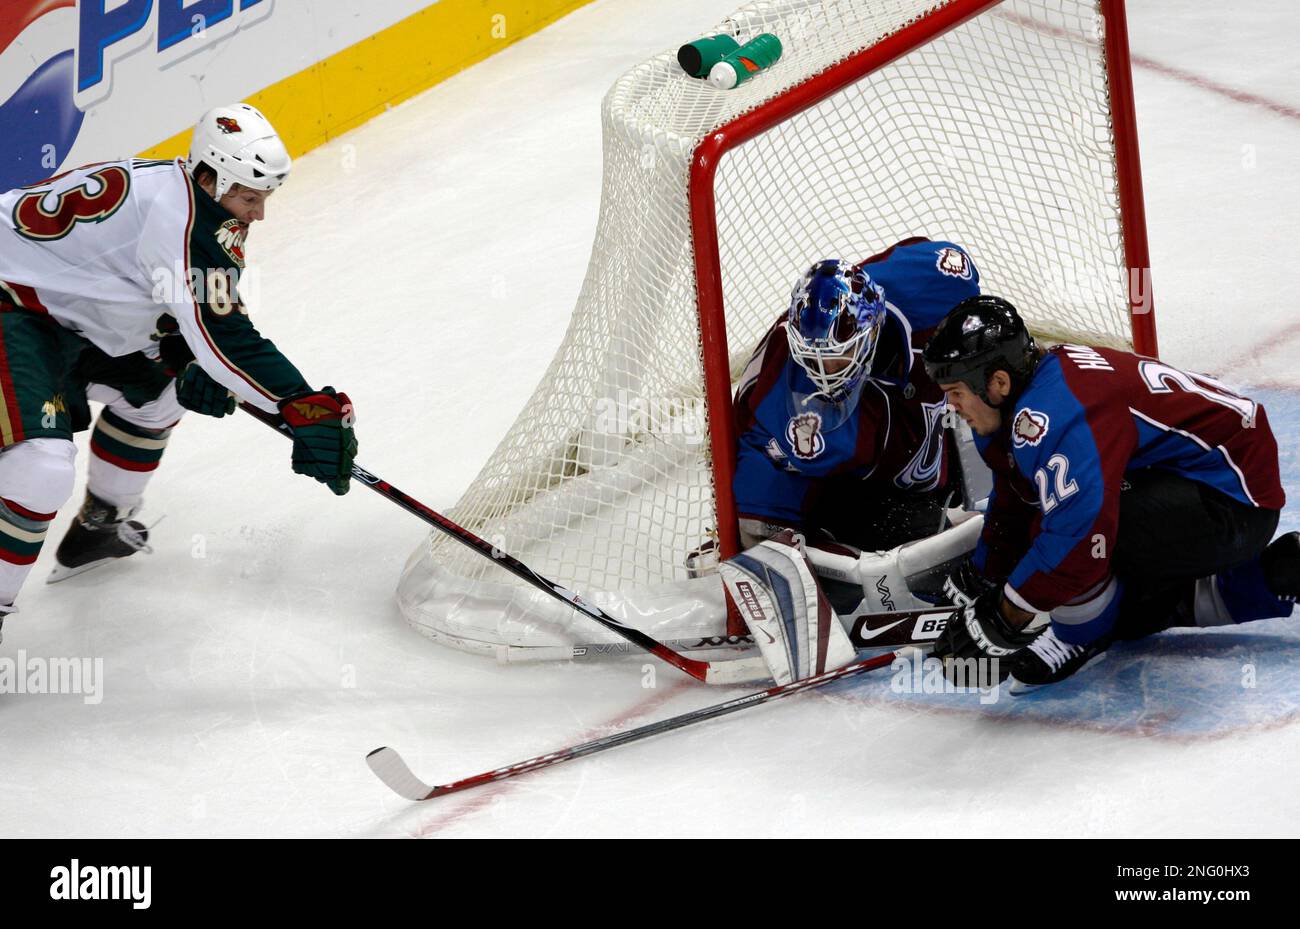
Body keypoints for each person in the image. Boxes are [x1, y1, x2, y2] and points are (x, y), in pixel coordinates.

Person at [0, 103, 357, 642]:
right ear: (210, 177)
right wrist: (299, 405)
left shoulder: (193, 197)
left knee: (166, 391)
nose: (258, 213)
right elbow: (225, 335)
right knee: (39, 469)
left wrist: (187, 357)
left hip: (66, 310)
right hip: (12, 304)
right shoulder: (186, 219)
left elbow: (174, 309)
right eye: (248, 196)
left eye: (263, 197)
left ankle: (100, 526)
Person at [921, 294, 1297, 690]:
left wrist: (1005, 615)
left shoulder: (1052, 414)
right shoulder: (1026, 396)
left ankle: (1081, 636)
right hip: (1197, 477)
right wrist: (985, 572)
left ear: (997, 382)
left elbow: (1080, 537)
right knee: (1095, 577)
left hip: (1230, 502)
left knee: (1076, 541)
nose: (952, 406)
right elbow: (1016, 495)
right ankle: (1279, 575)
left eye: (956, 392)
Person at [728, 237, 981, 555]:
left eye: (838, 355)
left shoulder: (926, 289)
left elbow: (954, 265)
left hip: (927, 453)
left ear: (871, 331)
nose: (824, 370)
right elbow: (757, 453)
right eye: (812, 356)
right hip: (863, 490)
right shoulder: (787, 388)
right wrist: (767, 538)